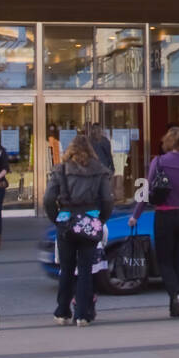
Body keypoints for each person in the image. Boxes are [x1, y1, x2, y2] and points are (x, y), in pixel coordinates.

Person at [44, 132, 113, 326]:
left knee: (66, 269)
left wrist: (56, 218)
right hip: (89, 221)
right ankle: (82, 314)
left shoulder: (61, 170)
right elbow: (107, 200)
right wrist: (100, 219)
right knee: (85, 270)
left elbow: (49, 199)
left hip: (66, 220)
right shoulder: (99, 170)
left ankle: (62, 311)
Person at [129, 126, 179, 318]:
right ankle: (177, 302)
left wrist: (136, 215)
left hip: (164, 215)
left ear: (168, 141)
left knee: (164, 260)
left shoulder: (159, 161)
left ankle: (174, 293)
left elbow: (146, 190)